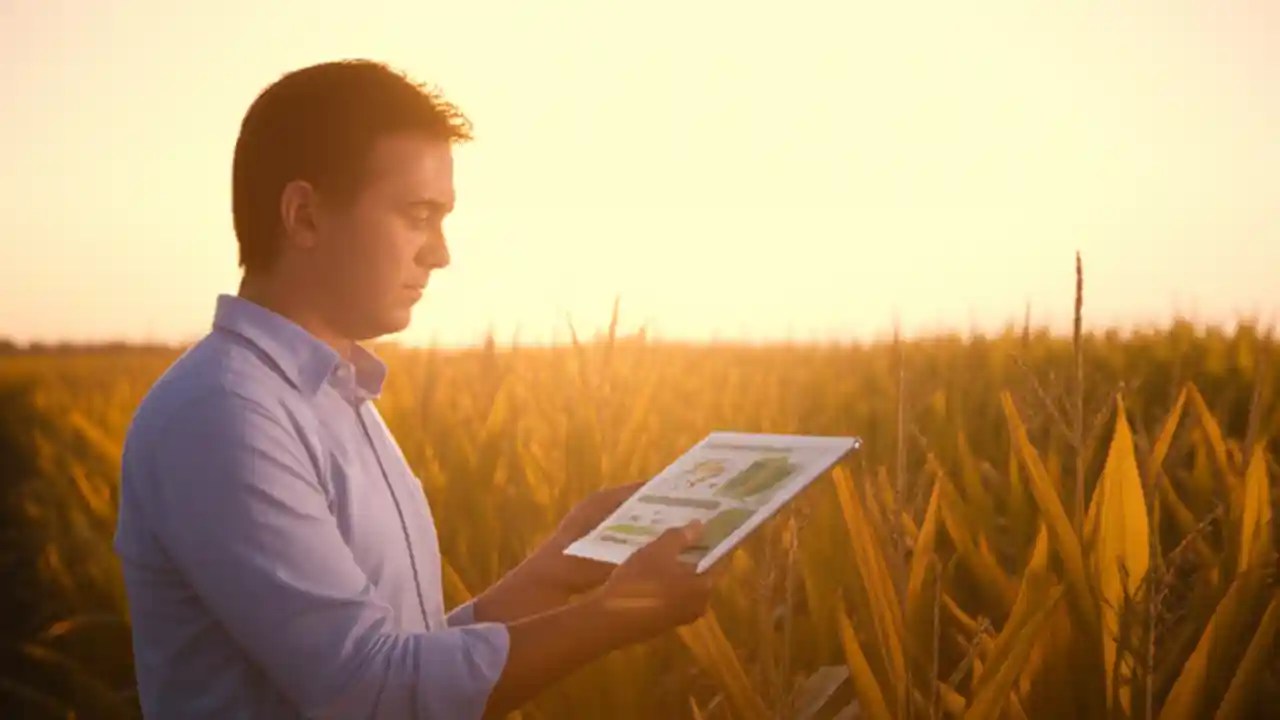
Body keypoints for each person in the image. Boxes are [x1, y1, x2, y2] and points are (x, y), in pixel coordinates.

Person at [112, 59, 718, 719]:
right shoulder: (223, 414)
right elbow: (373, 692)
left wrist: (557, 572)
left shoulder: (333, 397)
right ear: (305, 216)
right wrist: (618, 613)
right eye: (418, 215)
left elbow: (406, 655)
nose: (440, 252)